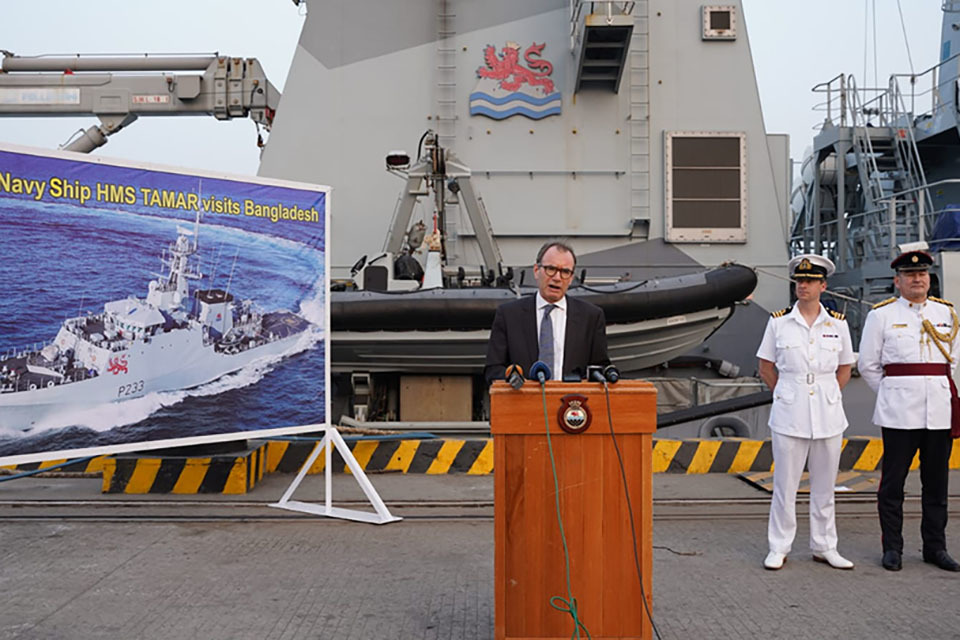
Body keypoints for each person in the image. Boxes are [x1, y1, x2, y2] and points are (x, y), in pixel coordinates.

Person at [858, 249, 960, 572]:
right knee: (893, 484)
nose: (917, 279)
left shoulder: (947, 313)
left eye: (922, 274)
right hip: (899, 412)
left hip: (938, 411)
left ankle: (935, 547)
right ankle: (893, 548)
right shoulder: (882, 316)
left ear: (929, 278)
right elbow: (868, 364)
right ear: (897, 281)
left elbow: (954, 362)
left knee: (937, 485)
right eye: (910, 275)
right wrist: (893, 392)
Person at [756, 254, 856, 571]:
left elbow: (845, 367)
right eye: (800, 280)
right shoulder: (779, 322)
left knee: (825, 487)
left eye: (810, 281)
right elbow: (766, 367)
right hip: (790, 410)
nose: (804, 285)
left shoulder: (837, 324)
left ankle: (825, 546)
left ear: (823, 286)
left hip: (828, 411)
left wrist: (829, 392)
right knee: (785, 486)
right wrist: (785, 393)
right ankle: (779, 546)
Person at [484, 240, 609, 385]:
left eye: (565, 272)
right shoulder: (508, 315)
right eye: (551, 269)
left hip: (573, 399)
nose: (557, 278)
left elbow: (600, 369)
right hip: (523, 397)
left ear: (571, 278)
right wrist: (516, 382)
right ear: (536, 271)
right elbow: (493, 370)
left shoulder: (591, 317)